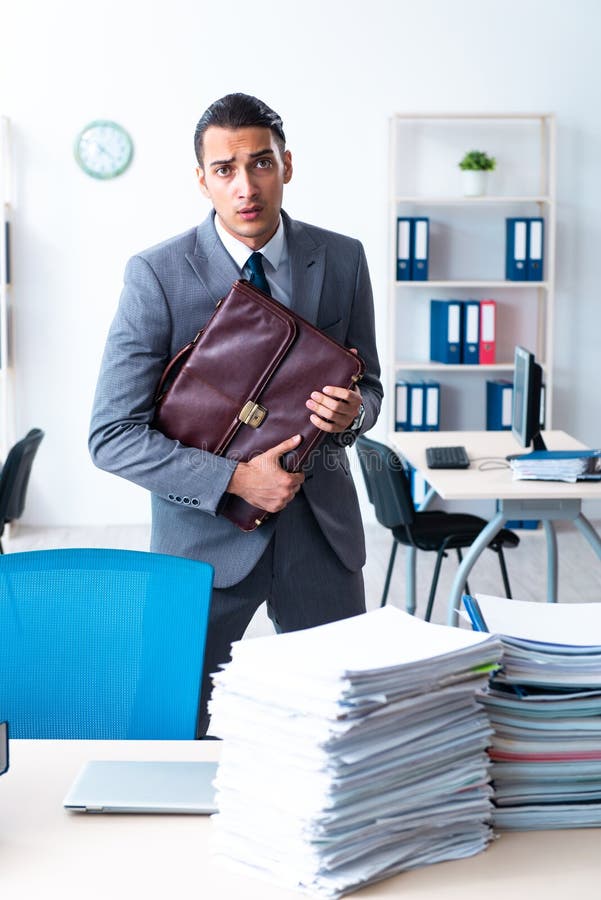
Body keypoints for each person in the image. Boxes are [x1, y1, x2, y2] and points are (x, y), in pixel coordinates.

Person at [89, 93, 382, 735]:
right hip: (201, 543)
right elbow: (111, 437)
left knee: (339, 730)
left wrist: (354, 412)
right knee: (173, 728)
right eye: (224, 169)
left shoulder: (342, 258)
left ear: (287, 165)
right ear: (202, 179)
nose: (245, 185)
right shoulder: (157, 276)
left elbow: (373, 389)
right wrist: (235, 481)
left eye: (261, 163)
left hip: (322, 537)